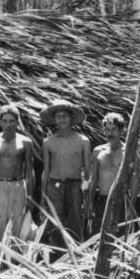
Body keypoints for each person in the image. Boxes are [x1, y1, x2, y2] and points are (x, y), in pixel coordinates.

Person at [40, 100, 91, 244]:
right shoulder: (48, 142)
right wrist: (43, 198)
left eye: (65, 116)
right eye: (58, 116)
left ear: (71, 118)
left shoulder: (83, 141)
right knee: (55, 224)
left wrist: (87, 196)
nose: (62, 119)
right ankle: (55, 254)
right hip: (54, 187)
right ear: (54, 119)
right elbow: (46, 171)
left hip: (75, 186)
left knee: (75, 223)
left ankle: (75, 254)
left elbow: (88, 172)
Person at [0, 104, 34, 241]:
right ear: (0, 122)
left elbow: (29, 171)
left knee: (16, 221)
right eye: (5, 121)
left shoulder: (26, 142)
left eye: (12, 121)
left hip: (18, 185)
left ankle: (14, 253)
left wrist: (30, 196)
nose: (8, 124)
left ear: (17, 122)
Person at [86, 112, 126, 237]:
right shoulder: (98, 151)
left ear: (121, 131)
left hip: (121, 200)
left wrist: (131, 206)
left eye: (113, 129)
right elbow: (93, 179)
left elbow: (135, 180)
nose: (110, 133)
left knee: (119, 236)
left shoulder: (127, 151)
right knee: (98, 234)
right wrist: (90, 202)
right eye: (107, 129)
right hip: (102, 198)